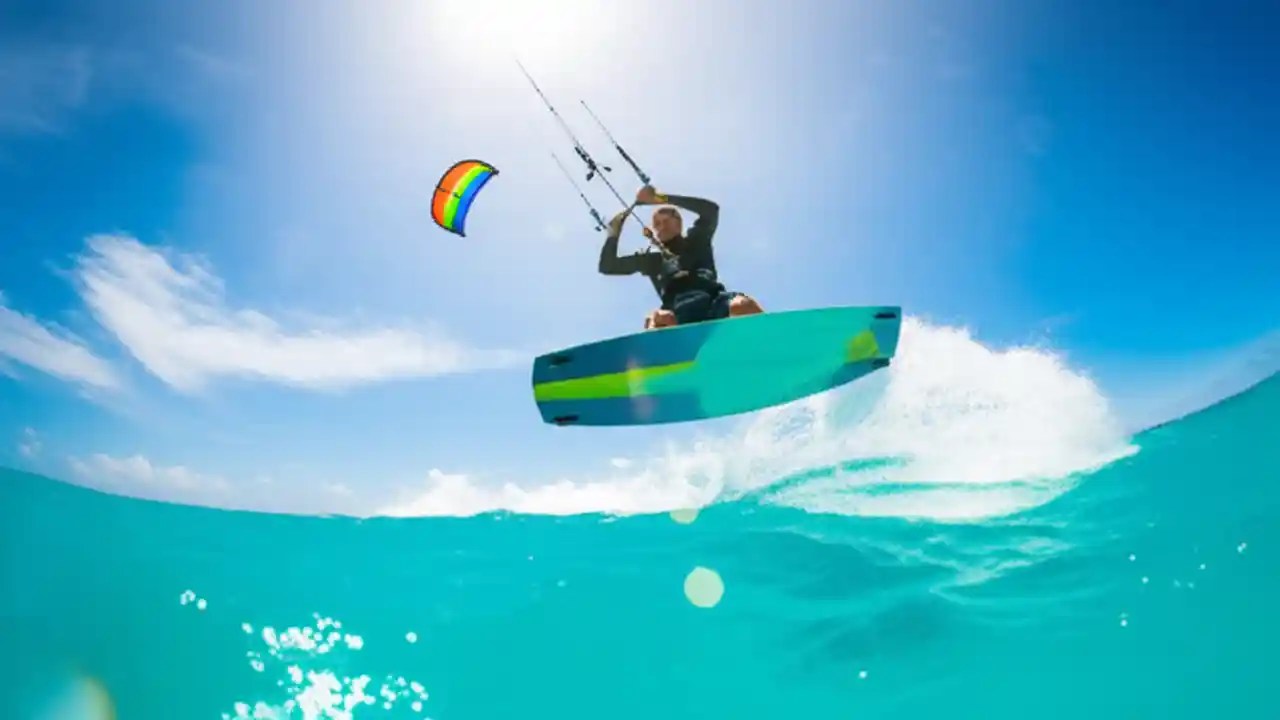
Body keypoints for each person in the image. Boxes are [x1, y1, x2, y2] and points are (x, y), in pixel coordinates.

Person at [598, 185, 763, 329]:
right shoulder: (652, 261)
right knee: (657, 319)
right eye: (657, 225)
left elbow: (711, 210)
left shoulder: (697, 239)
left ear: (679, 223)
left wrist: (660, 198)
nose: (661, 227)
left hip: (713, 303)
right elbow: (608, 266)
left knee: (743, 305)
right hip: (677, 315)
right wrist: (613, 234)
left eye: (665, 221)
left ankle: (777, 345)